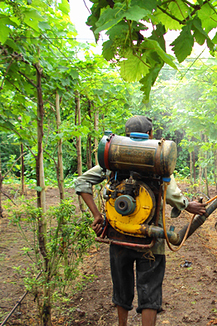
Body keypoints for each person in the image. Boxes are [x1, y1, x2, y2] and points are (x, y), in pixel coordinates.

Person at [75, 115, 206, 326]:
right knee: (150, 293)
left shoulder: (113, 159)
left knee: (121, 288)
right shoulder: (158, 158)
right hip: (150, 236)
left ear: (126, 135)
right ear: (151, 134)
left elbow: (82, 182)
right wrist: (188, 205)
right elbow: (172, 195)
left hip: (118, 234)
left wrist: (97, 216)